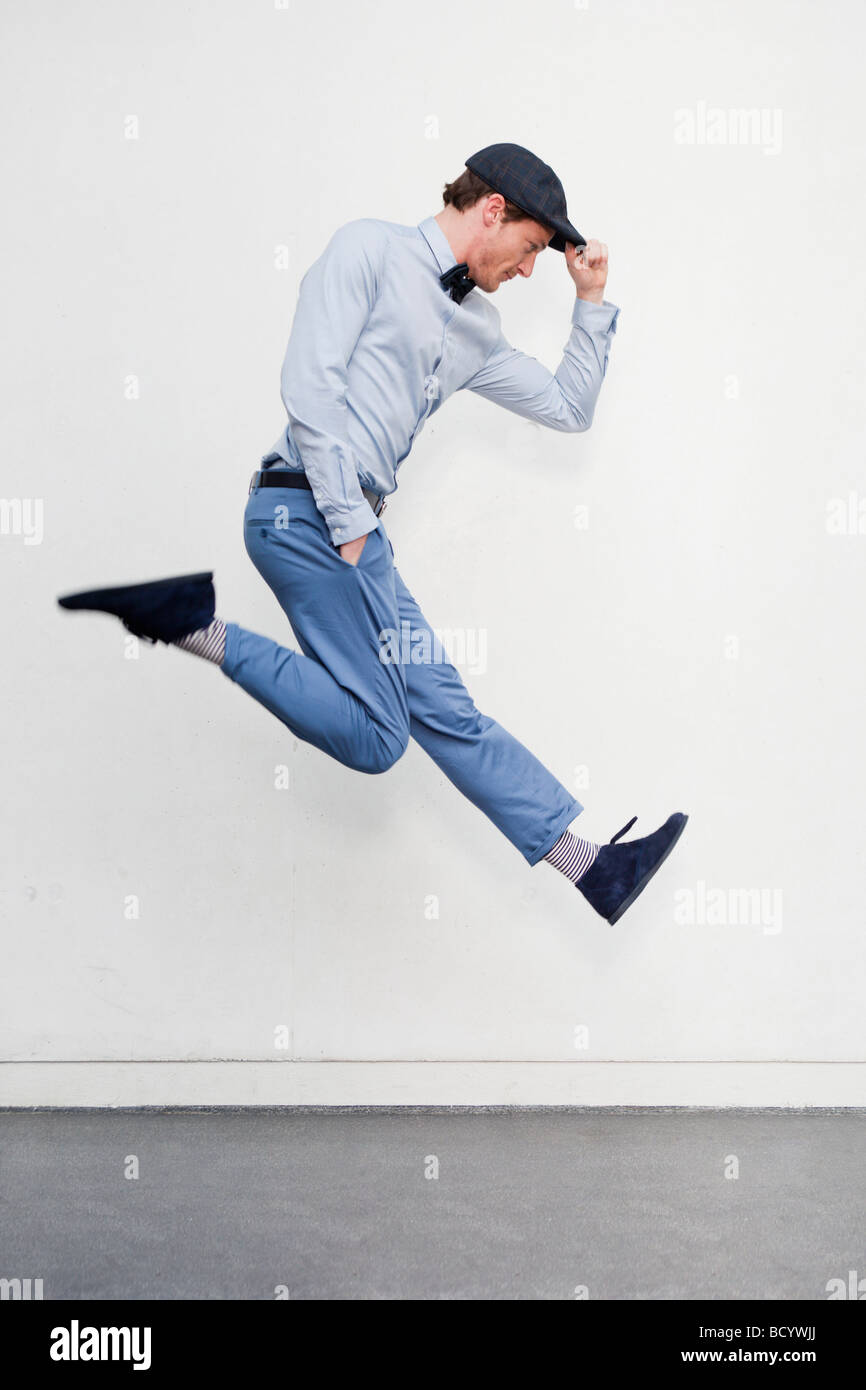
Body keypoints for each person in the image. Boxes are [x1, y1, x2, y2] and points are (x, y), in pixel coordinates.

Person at [58, 142, 687, 925]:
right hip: (308, 512)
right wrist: (350, 524)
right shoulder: (368, 248)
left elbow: (568, 407)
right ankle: (193, 624)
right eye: (529, 250)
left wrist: (590, 302)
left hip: (345, 531)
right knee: (388, 736)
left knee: (428, 717)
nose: (529, 270)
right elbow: (308, 385)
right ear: (494, 210)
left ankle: (591, 868)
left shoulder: (475, 328)